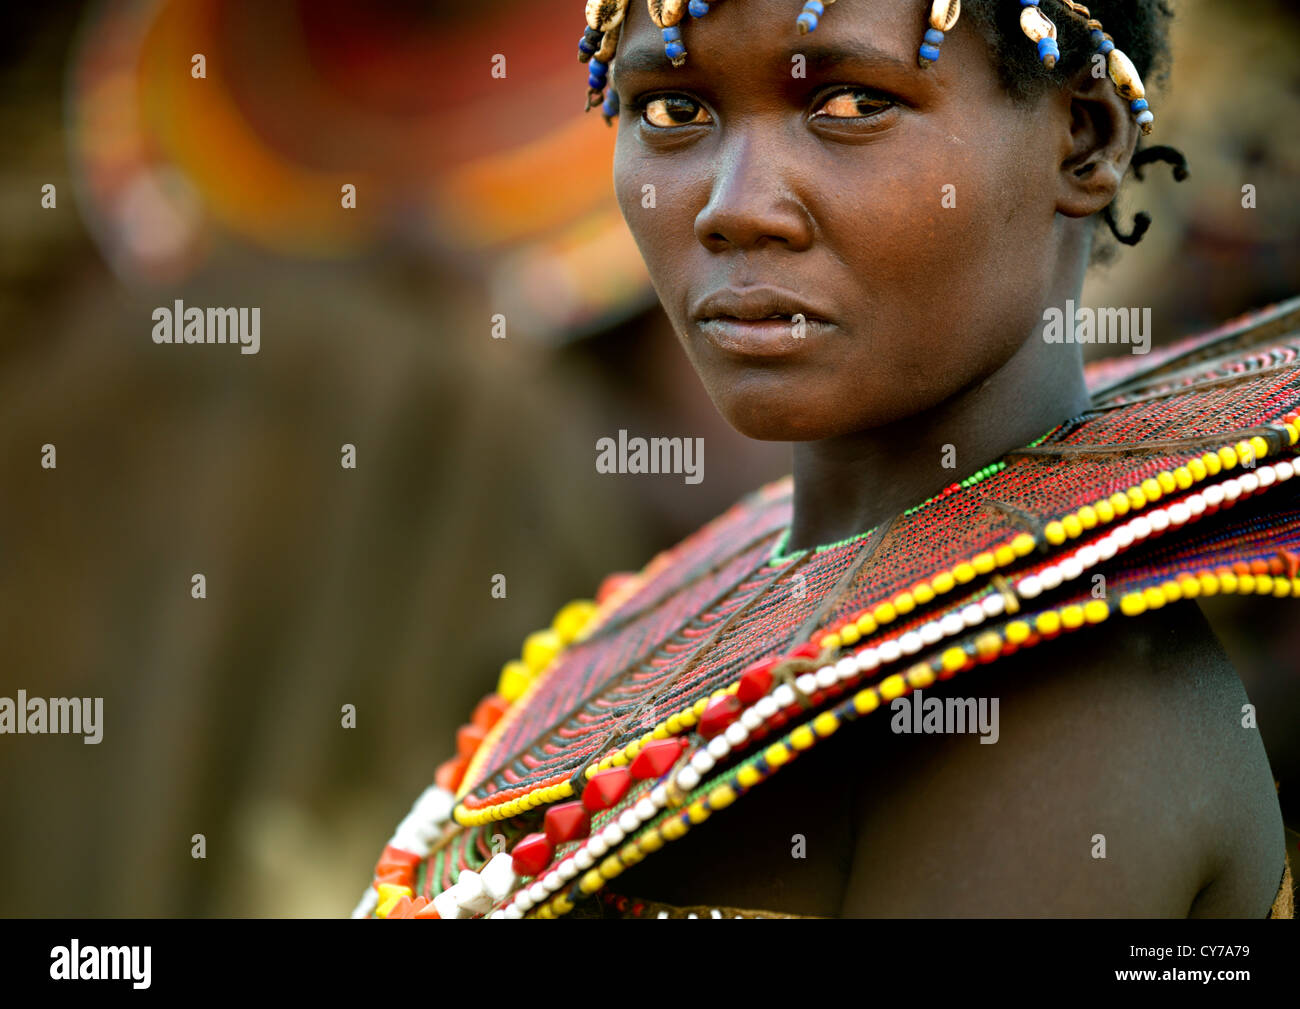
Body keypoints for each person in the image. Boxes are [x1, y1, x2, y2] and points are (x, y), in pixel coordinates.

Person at [354, 0, 1297, 919]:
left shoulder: (1066, 708)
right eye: (673, 110)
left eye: (849, 104)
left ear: (1083, 142)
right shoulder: (717, 572)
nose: (735, 208)